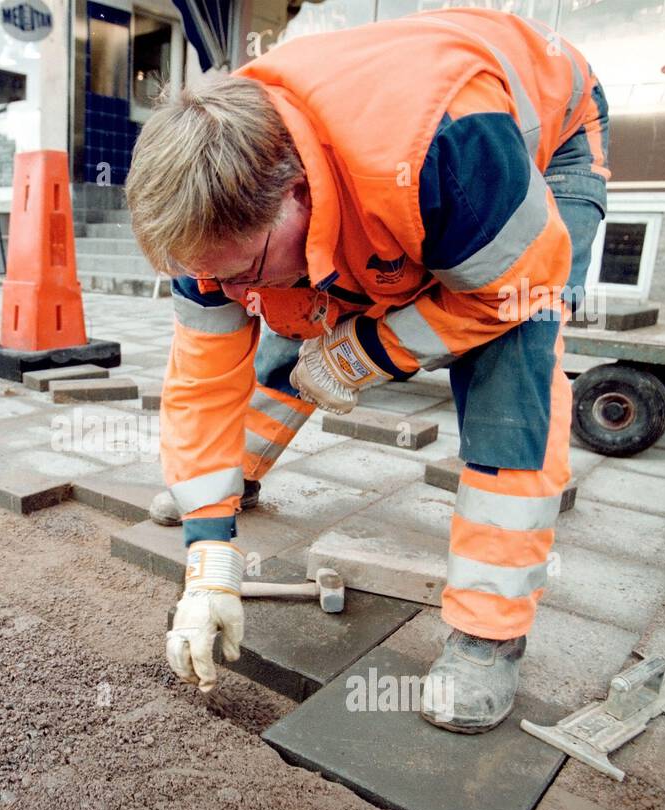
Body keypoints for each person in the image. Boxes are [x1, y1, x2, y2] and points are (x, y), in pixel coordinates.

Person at [126, 8, 610, 732]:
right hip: (374, 183)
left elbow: (514, 290)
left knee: (513, 371)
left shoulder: (448, 143)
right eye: (206, 278)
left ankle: (489, 634)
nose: (224, 296)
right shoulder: (213, 217)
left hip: (543, 142)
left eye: (238, 272)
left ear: (294, 192)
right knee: (295, 310)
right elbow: (202, 381)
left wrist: (364, 353)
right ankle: (233, 484)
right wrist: (208, 553)